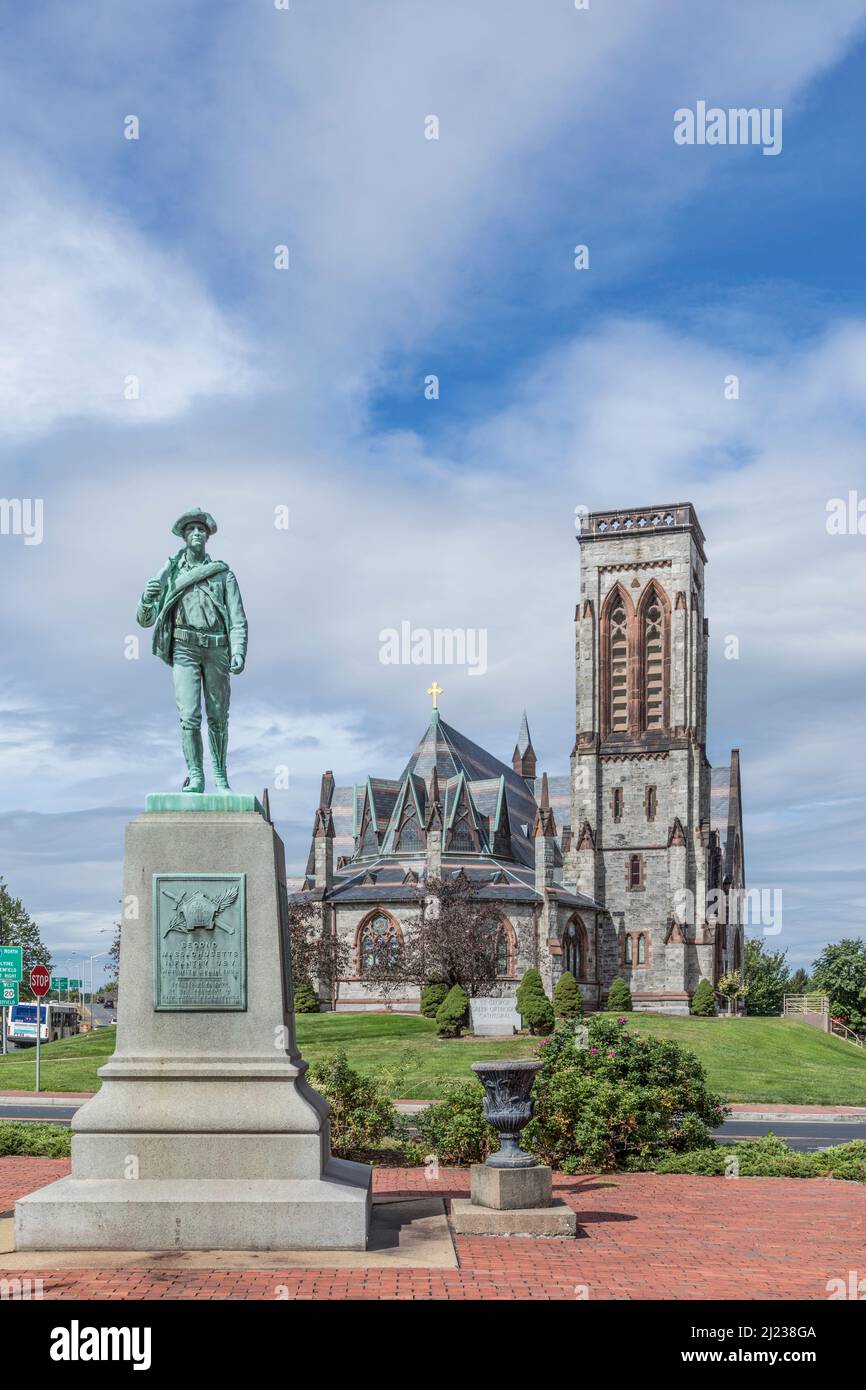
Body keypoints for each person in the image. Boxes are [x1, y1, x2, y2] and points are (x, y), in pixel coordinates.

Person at [136, 508, 247, 792]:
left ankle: (220, 776)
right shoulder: (170, 573)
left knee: (218, 716)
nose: (197, 533)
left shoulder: (223, 574)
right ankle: (196, 775)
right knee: (189, 716)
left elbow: (237, 618)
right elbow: (145, 620)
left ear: (207, 536)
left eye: (202, 530)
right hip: (184, 647)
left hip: (217, 649)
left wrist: (238, 652)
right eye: (192, 530)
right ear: (185, 536)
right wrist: (147, 600)